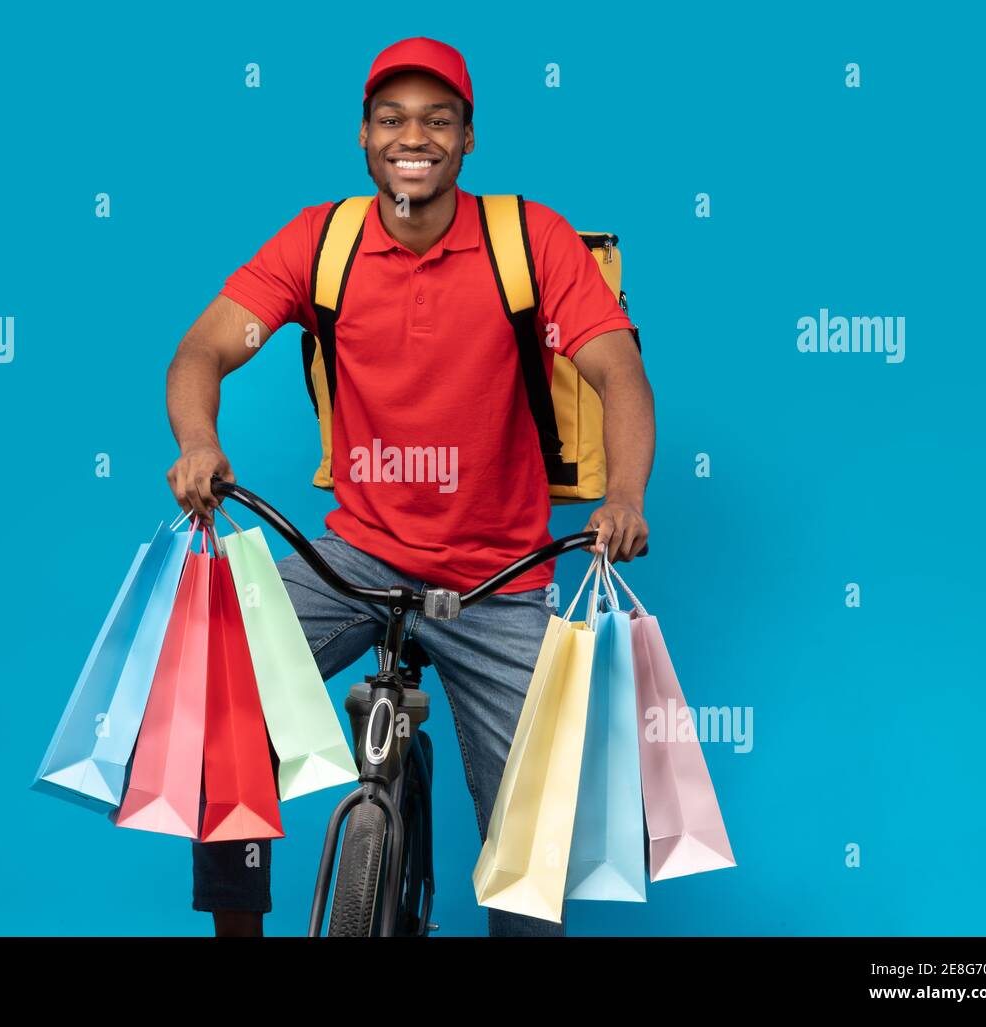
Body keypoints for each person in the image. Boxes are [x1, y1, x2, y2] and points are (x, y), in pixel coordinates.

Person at [165, 37, 654, 937]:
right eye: (392, 119)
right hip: (356, 557)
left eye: (438, 119)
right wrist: (201, 444)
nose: (413, 137)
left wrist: (624, 495)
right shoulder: (322, 242)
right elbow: (203, 348)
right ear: (364, 136)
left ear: (468, 138)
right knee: (218, 699)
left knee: (531, 855)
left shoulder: (528, 241)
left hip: (500, 581)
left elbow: (618, 370)